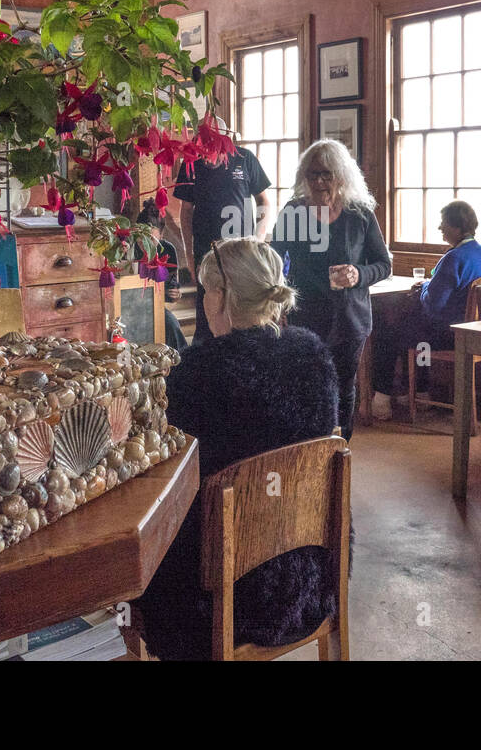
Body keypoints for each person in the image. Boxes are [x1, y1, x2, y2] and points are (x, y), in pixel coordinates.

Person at [134, 237, 344, 660]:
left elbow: (165, 469)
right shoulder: (314, 358)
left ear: (223, 297)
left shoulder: (196, 375)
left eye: (208, 289)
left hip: (222, 597)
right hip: (310, 576)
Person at [271, 139, 392, 440]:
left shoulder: (360, 214)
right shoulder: (293, 211)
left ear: (341, 175)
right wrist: (278, 302)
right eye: (313, 175)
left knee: (343, 386)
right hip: (304, 316)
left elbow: (384, 263)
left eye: (327, 174)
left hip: (349, 319)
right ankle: (309, 449)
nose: (320, 181)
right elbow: (271, 259)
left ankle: (340, 450)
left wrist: (359, 273)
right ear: (304, 177)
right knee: (306, 385)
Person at [370, 200, 481, 419]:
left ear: (457, 228)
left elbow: (432, 305)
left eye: (444, 224)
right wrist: (431, 284)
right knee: (409, 327)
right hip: (477, 333)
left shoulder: (454, 258)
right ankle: (417, 393)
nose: (440, 228)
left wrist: (424, 289)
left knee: (387, 332)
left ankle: (382, 400)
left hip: (450, 335)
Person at [174, 136, 273, 345]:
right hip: (206, 254)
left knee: (243, 314)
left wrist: (258, 241)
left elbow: (264, 201)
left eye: (210, 149)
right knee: (206, 317)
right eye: (201, 150)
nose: (206, 157)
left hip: (242, 255)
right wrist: (189, 255)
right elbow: (186, 211)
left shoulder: (245, 159)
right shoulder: (191, 163)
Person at [134, 201, 187, 352]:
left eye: (151, 240)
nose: (145, 244)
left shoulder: (168, 250)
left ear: (161, 235)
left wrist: (174, 294)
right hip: (129, 305)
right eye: (140, 238)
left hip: (155, 306)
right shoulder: (128, 249)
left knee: (170, 324)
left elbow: (172, 290)